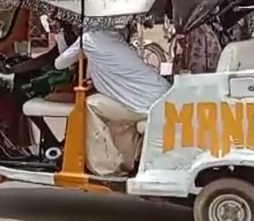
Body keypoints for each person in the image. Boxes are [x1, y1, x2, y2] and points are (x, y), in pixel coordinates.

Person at [55, 28, 170, 176]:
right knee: (108, 107)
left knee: (91, 104)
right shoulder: (117, 38)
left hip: (144, 105)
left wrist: (60, 37)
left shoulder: (89, 39)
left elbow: (60, 63)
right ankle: (126, 158)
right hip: (160, 97)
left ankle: (104, 167)